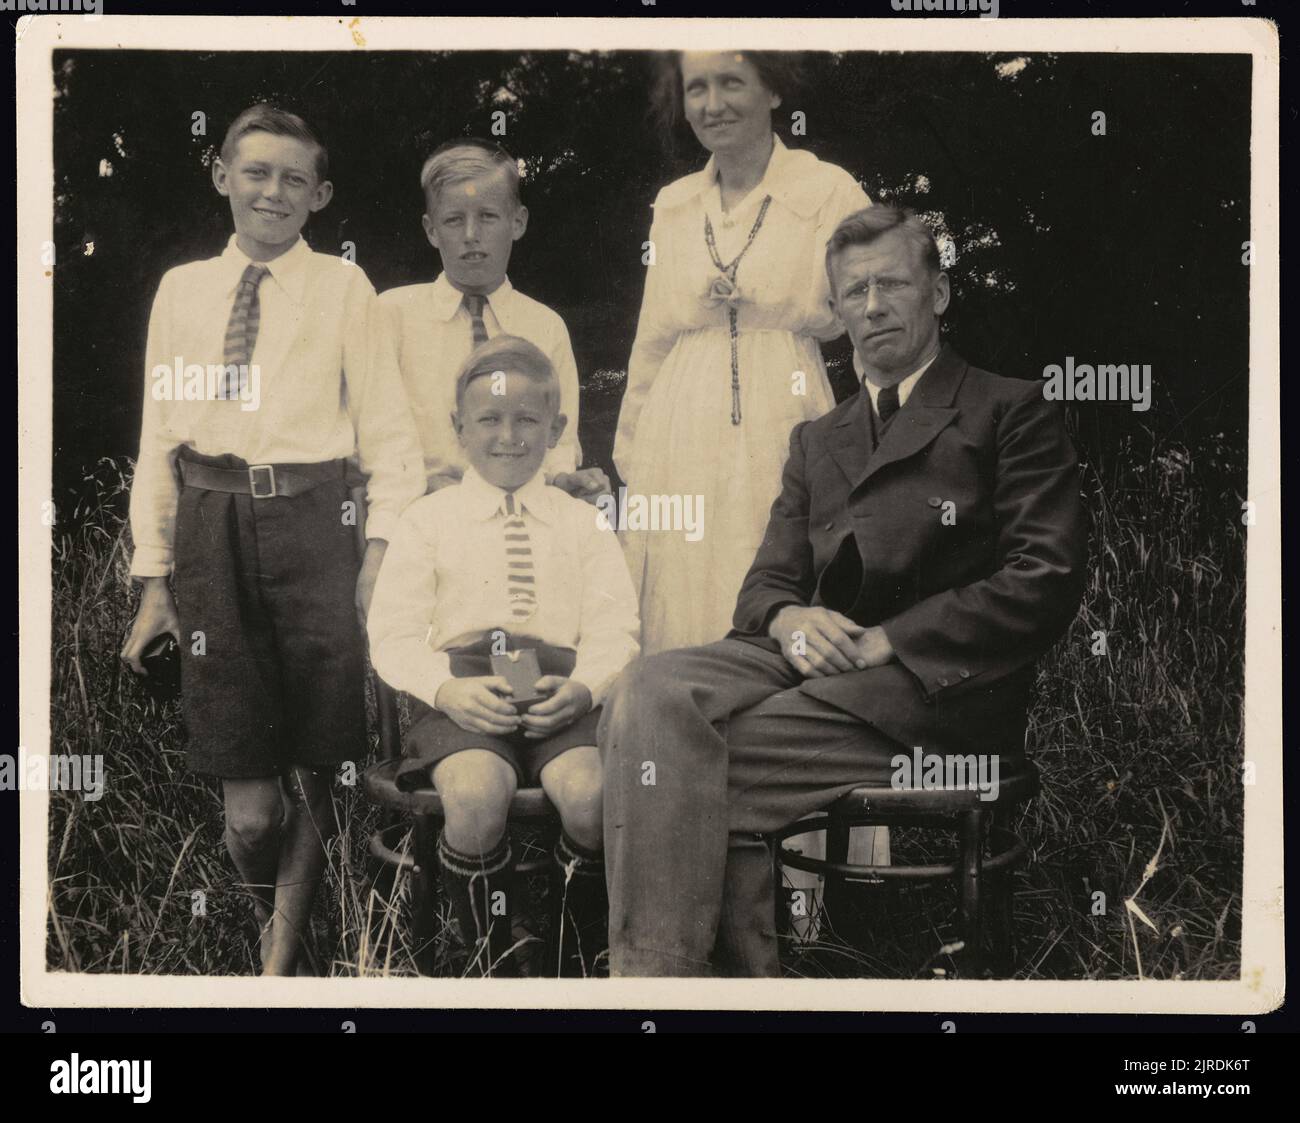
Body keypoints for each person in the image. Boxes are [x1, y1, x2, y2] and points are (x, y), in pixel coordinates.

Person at [599, 206, 1090, 977]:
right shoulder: (818, 437)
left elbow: (1046, 578)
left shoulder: (1007, 408)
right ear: (834, 312)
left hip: (932, 695)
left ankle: (664, 985)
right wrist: (791, 616)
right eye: (853, 290)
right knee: (649, 686)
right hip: (814, 667)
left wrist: (890, 638)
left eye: (893, 282)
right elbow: (763, 586)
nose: (873, 304)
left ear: (940, 292)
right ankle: (721, 982)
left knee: (691, 757)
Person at [119, 104, 426, 975]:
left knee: (322, 760)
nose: (273, 192)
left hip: (317, 525)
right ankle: (274, 913)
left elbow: (389, 436)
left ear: (319, 194)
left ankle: (279, 962)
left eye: (295, 179)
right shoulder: (182, 290)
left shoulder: (343, 289)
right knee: (250, 811)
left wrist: (378, 554)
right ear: (221, 175)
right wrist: (154, 584)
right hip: (211, 530)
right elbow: (157, 444)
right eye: (256, 172)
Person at [368, 336, 639, 977]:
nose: (508, 436)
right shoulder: (427, 520)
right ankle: (487, 960)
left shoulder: (583, 524)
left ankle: (573, 959)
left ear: (557, 429)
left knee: (592, 793)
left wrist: (586, 689)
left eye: (527, 420)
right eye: (489, 419)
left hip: (558, 693)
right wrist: (443, 689)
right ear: (459, 427)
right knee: (474, 793)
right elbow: (394, 634)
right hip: (465, 692)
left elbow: (615, 629)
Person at [614, 50, 871, 654]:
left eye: (732, 82)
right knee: (680, 586)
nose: (712, 104)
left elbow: (872, 319)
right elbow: (652, 336)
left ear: (774, 90)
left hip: (784, 406)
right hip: (677, 425)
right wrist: (633, 447)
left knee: (772, 559)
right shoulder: (674, 205)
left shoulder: (827, 190)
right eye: (696, 88)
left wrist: (878, 437)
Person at [379, 137, 608, 502]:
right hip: (419, 512)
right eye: (454, 220)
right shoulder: (392, 315)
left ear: (517, 222)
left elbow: (559, 442)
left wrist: (563, 481)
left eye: (487, 216)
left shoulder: (545, 326)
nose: (471, 235)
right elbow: (376, 435)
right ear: (431, 230)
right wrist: (422, 487)